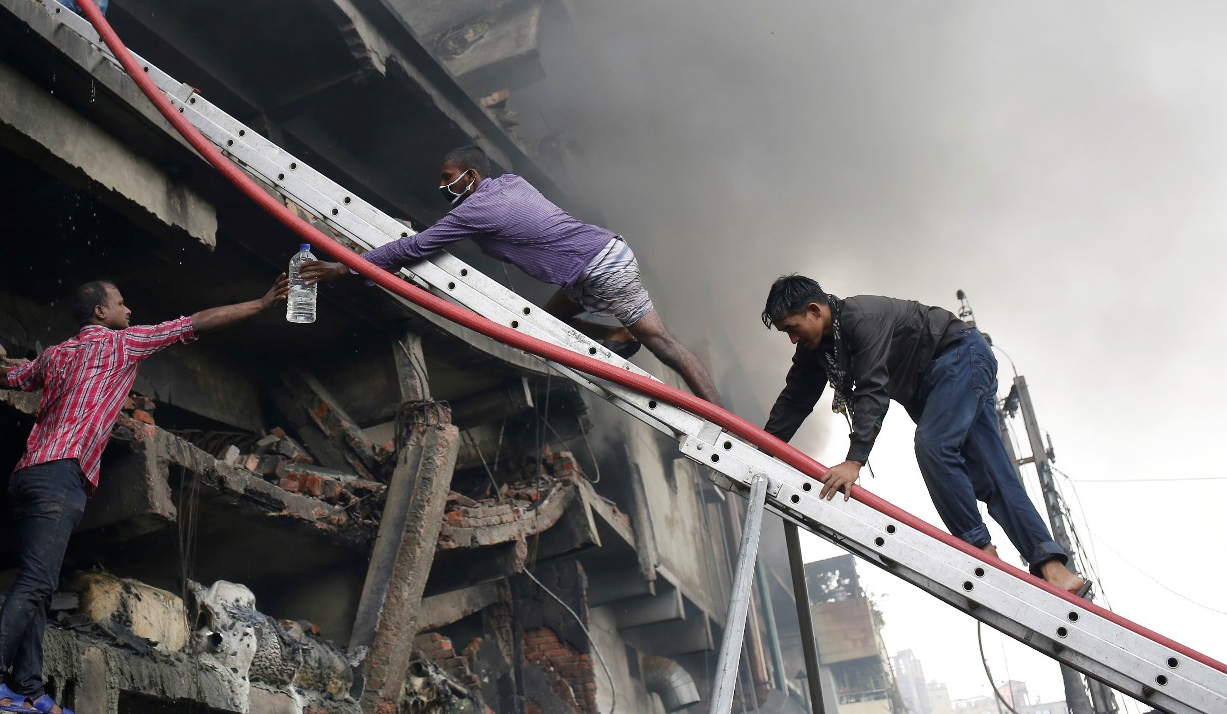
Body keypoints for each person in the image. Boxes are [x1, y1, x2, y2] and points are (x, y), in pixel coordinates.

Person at [0, 274, 288, 713]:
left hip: (28, 477)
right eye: (120, 303)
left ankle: (31, 691)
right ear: (101, 312)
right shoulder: (122, 344)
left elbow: (11, 376)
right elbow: (198, 322)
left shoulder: (56, 354)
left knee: (41, 582)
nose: (128, 310)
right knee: (36, 582)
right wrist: (262, 303)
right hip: (61, 478)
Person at [299, 144, 723, 406]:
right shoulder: (513, 183)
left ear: (472, 175)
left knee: (663, 343)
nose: (444, 186)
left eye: (448, 178)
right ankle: (614, 337)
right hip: (585, 266)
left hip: (601, 264)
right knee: (549, 324)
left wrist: (343, 266)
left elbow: (415, 248)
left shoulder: (477, 208)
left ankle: (720, 417)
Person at [760, 274, 1090, 596]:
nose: (792, 338)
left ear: (815, 311)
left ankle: (981, 555)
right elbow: (795, 400)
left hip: (959, 359)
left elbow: (873, 390)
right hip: (940, 386)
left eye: (792, 328)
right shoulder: (817, 351)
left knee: (933, 446)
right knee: (992, 475)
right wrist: (762, 446)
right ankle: (1056, 570)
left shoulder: (861, 318)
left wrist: (854, 461)